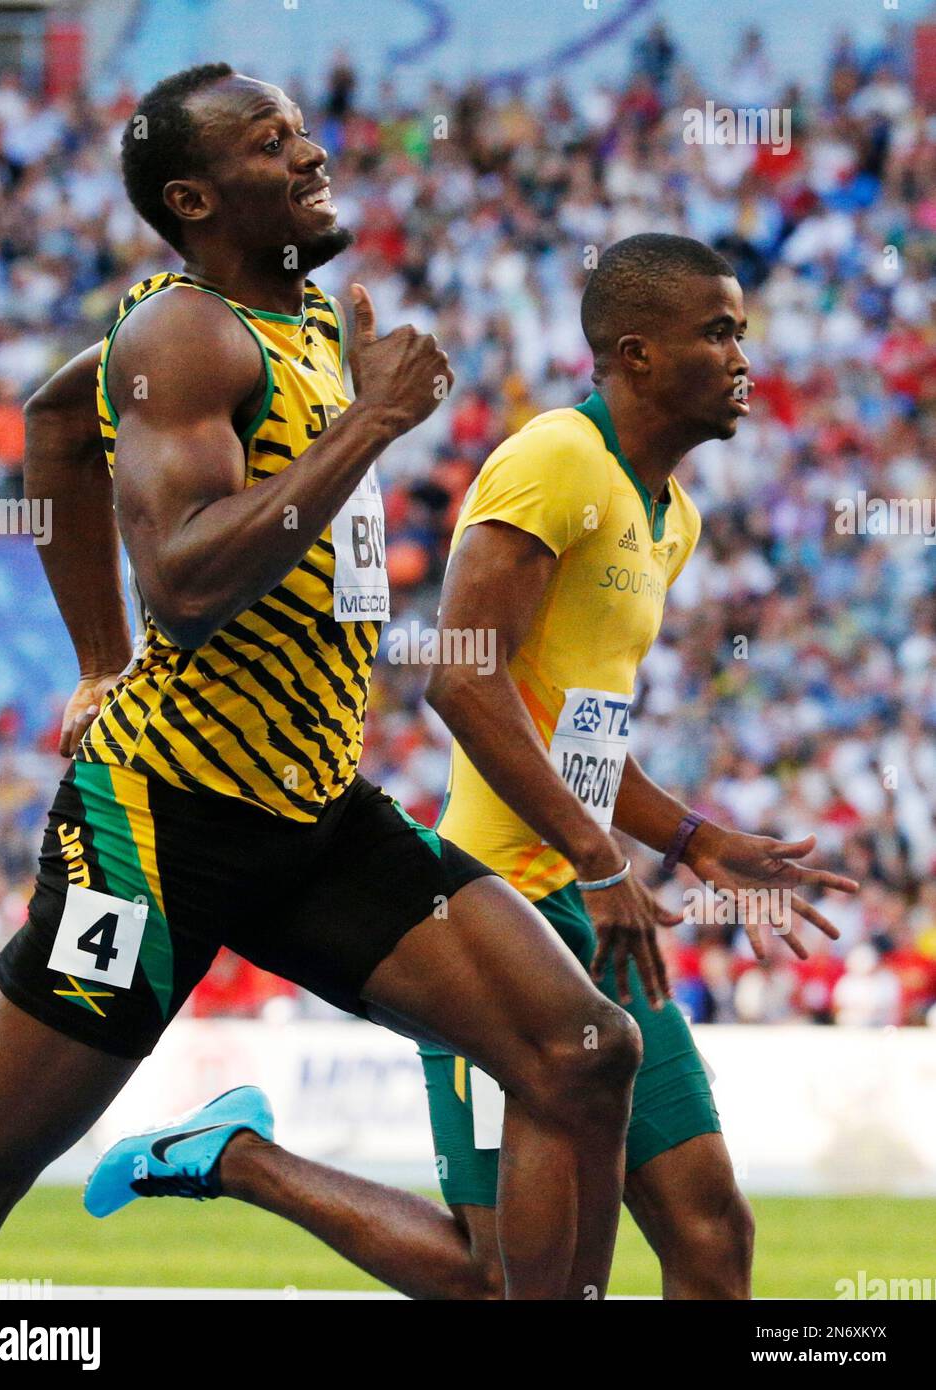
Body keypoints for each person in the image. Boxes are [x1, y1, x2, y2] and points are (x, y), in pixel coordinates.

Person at [0, 65, 653, 1301]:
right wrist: (368, 427)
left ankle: (243, 1159)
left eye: (303, 131)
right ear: (195, 196)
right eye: (273, 143)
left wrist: (97, 659)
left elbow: (57, 423)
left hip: (314, 815)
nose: (314, 153)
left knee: (585, 1051)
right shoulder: (185, 331)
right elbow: (183, 578)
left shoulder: (314, 323)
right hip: (160, 826)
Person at [418, 234, 858, 1298]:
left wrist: (696, 840)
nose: (743, 355)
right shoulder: (556, 458)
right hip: (489, 909)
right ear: (638, 354)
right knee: (517, 1283)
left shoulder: (675, 522)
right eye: (718, 331)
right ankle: (234, 1159)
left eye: (742, 331)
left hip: (592, 899)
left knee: (712, 1239)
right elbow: (462, 681)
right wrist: (604, 863)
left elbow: (578, 738)